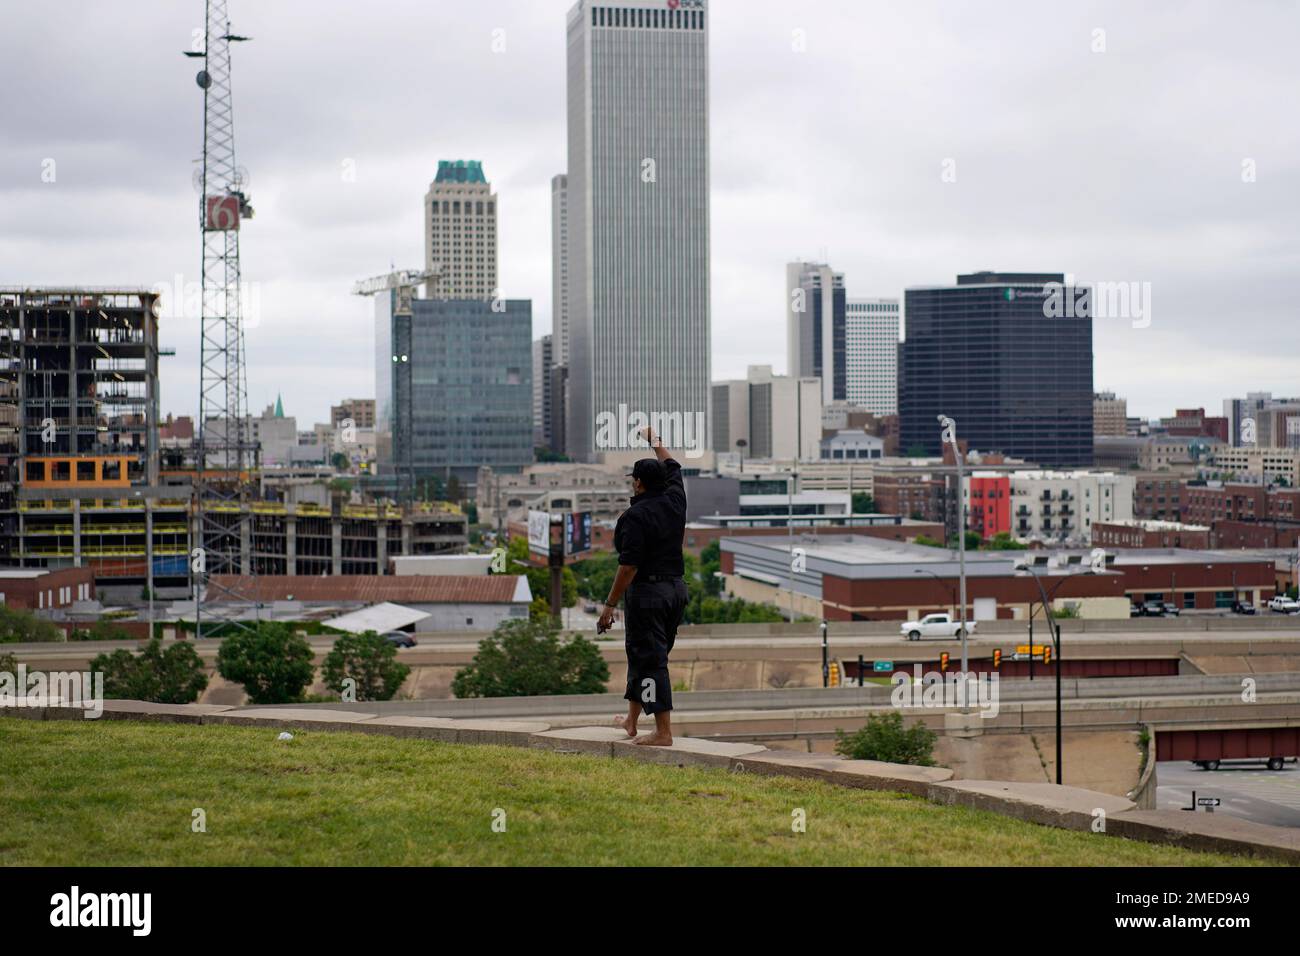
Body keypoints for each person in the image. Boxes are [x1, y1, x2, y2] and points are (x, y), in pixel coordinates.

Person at [597, 425, 688, 746]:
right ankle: (631, 721)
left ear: (638, 483)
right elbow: (672, 462)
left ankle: (663, 732)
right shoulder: (676, 497)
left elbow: (629, 566)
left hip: (648, 594)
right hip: (675, 591)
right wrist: (654, 439)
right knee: (644, 656)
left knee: (650, 662)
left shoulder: (635, 517)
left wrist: (609, 605)